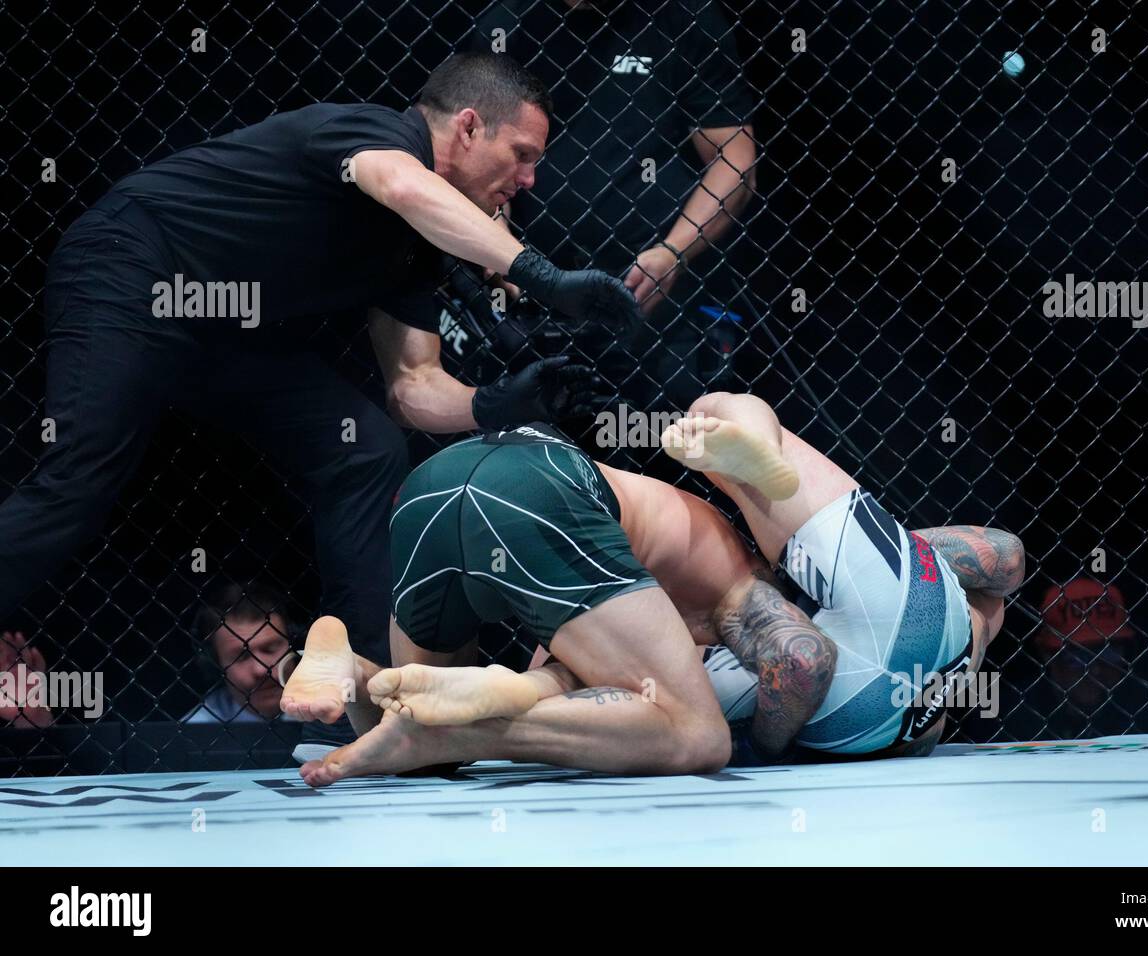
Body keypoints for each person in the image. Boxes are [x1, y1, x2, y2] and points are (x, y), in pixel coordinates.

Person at [0, 53, 633, 741]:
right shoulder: (374, 135)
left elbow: (413, 387)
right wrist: (539, 274)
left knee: (363, 446)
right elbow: (400, 185)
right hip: (132, 267)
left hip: (220, 333)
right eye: (521, 155)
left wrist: (501, 404)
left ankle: (360, 697)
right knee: (78, 476)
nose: (529, 180)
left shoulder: (415, 246)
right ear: (469, 127)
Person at [280, 420, 838, 783]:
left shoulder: (662, 560)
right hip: (535, 490)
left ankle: (349, 669)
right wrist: (767, 749)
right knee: (700, 735)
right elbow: (802, 660)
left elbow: (564, 688)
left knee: (418, 733)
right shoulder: (741, 581)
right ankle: (471, 733)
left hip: (430, 485)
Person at [661, 392, 1025, 754]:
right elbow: (1005, 558)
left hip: (868, 720)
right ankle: (760, 439)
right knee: (705, 411)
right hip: (906, 676)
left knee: (661, 677)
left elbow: (1004, 557)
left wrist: (760, 749)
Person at [470, 0, 758, 408]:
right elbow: (472, 156)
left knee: (671, 442)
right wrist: (497, 247)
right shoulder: (508, 24)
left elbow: (735, 157)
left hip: (654, 291)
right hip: (534, 286)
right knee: (536, 440)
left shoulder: (682, 16)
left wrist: (673, 251)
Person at [184, 580, 296, 724]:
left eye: (270, 649)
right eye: (241, 657)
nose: (261, 669)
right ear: (217, 665)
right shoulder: (197, 731)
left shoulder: (329, 712)